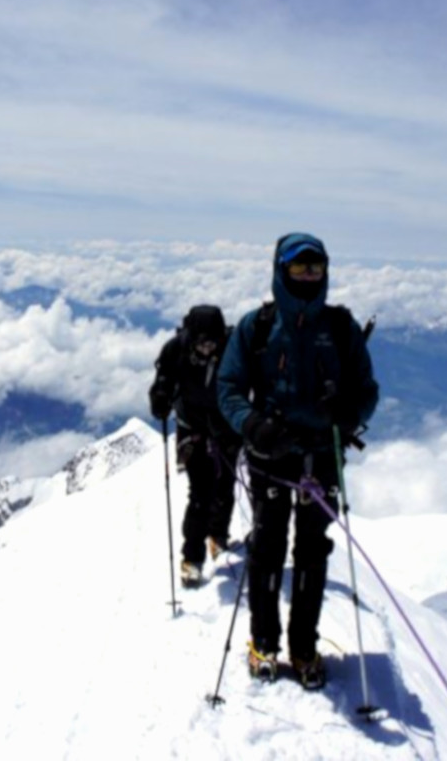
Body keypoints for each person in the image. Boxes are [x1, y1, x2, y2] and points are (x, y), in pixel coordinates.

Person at [217, 233, 379, 690]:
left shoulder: (341, 328)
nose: (308, 276)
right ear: (281, 269)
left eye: (315, 267)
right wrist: (252, 425)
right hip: (271, 455)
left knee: (311, 553)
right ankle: (264, 642)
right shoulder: (257, 327)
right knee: (267, 549)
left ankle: (304, 647)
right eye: (298, 267)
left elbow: (366, 391)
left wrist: (350, 414)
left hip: (322, 456)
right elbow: (228, 388)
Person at [149, 305, 243, 588]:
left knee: (225, 484)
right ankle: (192, 558)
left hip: (225, 426)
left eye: (213, 342)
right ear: (191, 337)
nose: (207, 348)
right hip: (193, 427)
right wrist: (160, 397)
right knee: (201, 492)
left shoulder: (233, 349)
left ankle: (218, 536)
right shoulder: (176, 349)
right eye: (202, 343)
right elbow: (163, 379)